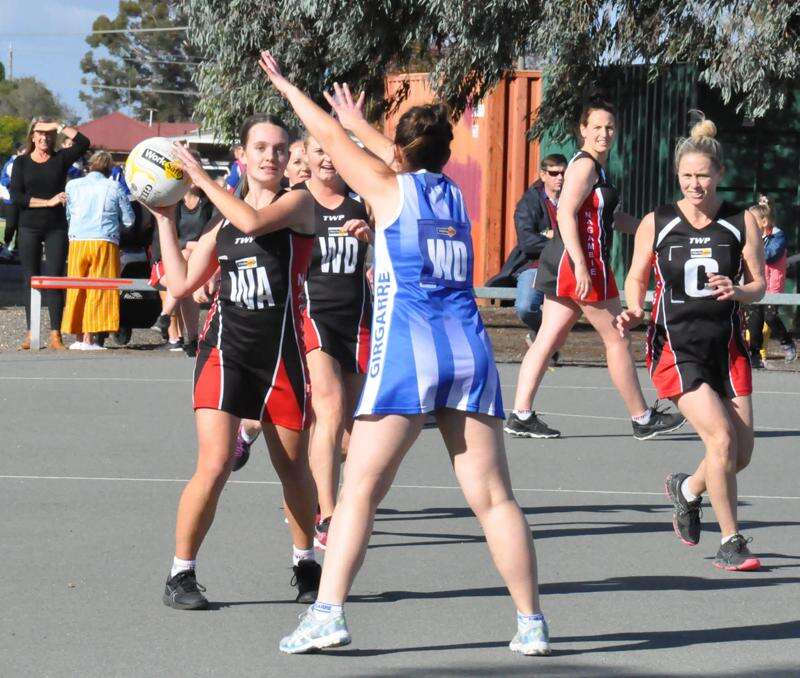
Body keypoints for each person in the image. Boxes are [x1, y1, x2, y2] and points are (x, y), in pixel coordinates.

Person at [259, 52, 550, 657]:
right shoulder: (454, 199)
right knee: (495, 498)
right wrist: (367, 130)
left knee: (358, 490)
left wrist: (289, 88)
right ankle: (531, 624)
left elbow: (329, 139)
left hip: (409, 355)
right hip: (470, 355)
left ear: (398, 152)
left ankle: (329, 614)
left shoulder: (387, 191)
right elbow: (391, 152)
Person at [152, 113, 321, 610]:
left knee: (293, 469)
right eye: (261, 148)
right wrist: (163, 218)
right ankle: (180, 574)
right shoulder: (220, 221)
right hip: (225, 352)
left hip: (282, 356)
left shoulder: (299, 204)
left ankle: (305, 560)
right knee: (214, 464)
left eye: (280, 148)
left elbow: (253, 221)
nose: (272, 156)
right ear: (242, 157)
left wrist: (201, 180)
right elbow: (181, 284)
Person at [617, 116, 765, 571]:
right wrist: (635, 308)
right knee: (719, 439)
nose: (695, 184)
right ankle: (731, 541)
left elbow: (759, 283)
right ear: (677, 176)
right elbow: (637, 276)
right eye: (687, 176)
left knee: (739, 454)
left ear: (719, 174)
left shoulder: (741, 222)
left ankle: (687, 490)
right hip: (676, 348)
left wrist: (739, 291)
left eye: (703, 175)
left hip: (726, 347)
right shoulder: (658, 221)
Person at [504, 99, 685, 440]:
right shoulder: (585, 166)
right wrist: (582, 266)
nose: (604, 133)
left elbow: (609, 218)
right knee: (617, 337)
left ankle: (520, 414)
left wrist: (651, 228)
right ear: (583, 129)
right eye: (597, 127)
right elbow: (565, 214)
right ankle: (642, 418)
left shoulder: (597, 168)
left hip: (571, 263)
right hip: (580, 263)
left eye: (610, 127)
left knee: (547, 338)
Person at [295, 134, 372, 549]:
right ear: (305, 154)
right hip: (313, 318)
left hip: (358, 322)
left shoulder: (362, 202)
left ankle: (307, 487)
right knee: (330, 408)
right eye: (319, 150)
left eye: (334, 150)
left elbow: (397, 245)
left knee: (350, 431)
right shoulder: (296, 202)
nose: (327, 159)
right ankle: (327, 516)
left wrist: (373, 239)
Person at [232, 136, 311, 471]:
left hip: (339, 316)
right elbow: (242, 231)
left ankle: (250, 426)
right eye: (300, 162)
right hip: (299, 321)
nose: (306, 168)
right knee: (329, 412)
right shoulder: (284, 203)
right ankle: (326, 508)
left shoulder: (338, 203)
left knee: (338, 424)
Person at [10, 118, 90, 350]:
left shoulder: (60, 159)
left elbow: (84, 142)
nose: (44, 138)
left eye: (49, 134)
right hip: (29, 227)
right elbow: (17, 196)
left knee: (55, 279)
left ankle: (56, 334)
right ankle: (30, 333)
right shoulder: (21, 163)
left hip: (56, 228)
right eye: (40, 133)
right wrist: (48, 201)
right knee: (30, 279)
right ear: (32, 136)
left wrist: (59, 124)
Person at [488, 154, 565, 344]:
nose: (560, 178)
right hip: (535, 265)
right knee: (525, 306)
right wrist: (559, 242)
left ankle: (545, 343)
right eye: (554, 173)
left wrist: (549, 236)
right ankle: (545, 340)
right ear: (543, 175)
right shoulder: (529, 202)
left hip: (568, 265)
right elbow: (527, 242)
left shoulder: (574, 198)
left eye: (564, 173)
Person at [61, 150, 134, 350]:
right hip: (104, 241)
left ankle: (77, 337)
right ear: (110, 168)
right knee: (100, 288)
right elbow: (129, 220)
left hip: (77, 241)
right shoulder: (114, 186)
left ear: (90, 165)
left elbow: (69, 214)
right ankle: (90, 338)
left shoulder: (73, 185)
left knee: (77, 287)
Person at [746, 196, 796, 366]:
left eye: (753, 221)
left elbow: (771, 255)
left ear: (764, 221)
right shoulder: (751, 237)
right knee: (754, 321)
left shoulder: (777, 236)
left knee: (770, 317)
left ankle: (787, 343)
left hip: (772, 285)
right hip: (754, 284)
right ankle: (755, 355)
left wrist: (751, 251)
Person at [0, 145, 25, 261]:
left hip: (24, 199)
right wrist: (14, 182)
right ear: (18, 152)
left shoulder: (29, 162)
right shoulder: (10, 164)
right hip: (10, 199)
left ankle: (17, 250)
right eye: (23, 153)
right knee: (11, 225)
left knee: (22, 226)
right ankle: (6, 247)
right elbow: (3, 180)